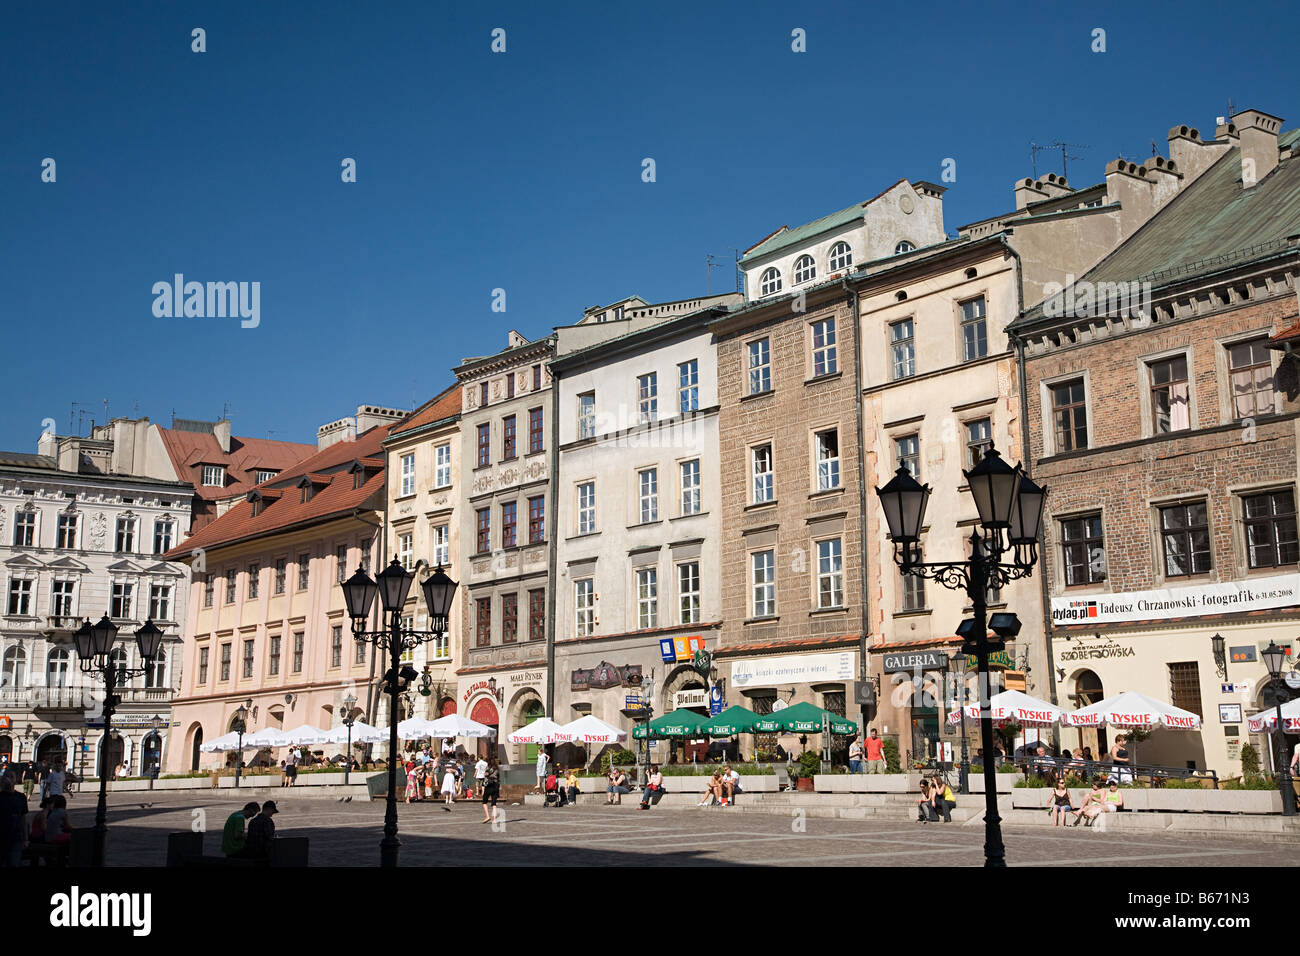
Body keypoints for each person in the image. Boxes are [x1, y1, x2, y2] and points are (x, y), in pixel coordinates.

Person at [0, 773, 28, 867]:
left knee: (13, 863)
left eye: (11, 777)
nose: (8, 779)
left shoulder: (21, 797)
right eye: (6, 777)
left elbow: (23, 819)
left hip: (15, 837)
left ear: (16, 780)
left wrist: (25, 838)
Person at [481, 757, 500, 824]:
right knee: (494, 804)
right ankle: (494, 819)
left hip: (489, 786)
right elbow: (498, 778)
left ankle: (487, 816)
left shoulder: (488, 768)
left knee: (484, 802)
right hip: (495, 786)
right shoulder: (497, 769)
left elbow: (485, 775)